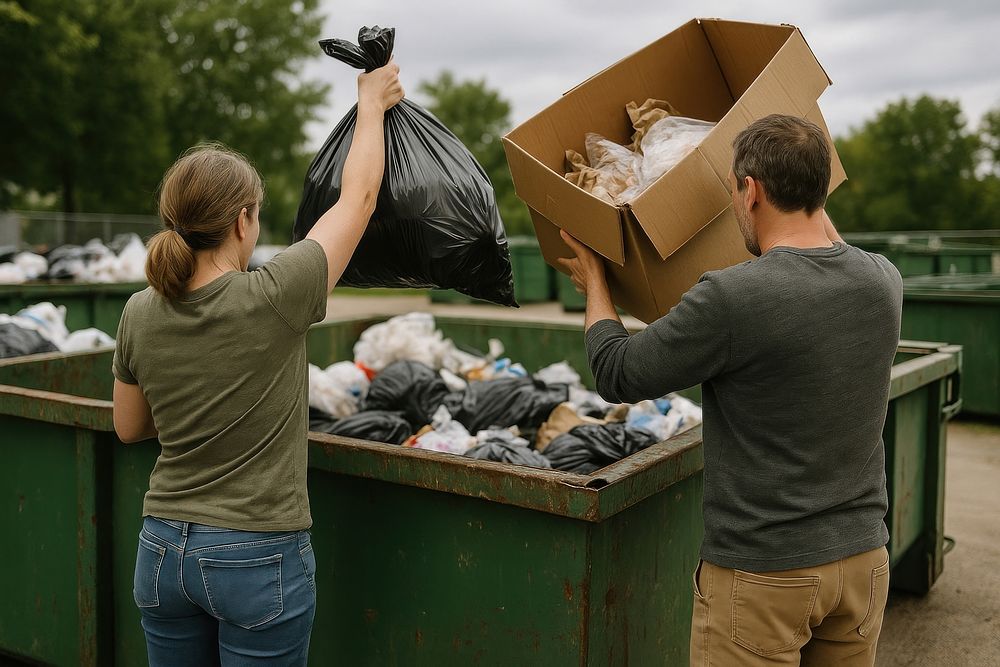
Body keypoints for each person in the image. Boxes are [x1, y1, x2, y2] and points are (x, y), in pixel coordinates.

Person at [559, 114, 902, 666]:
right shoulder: (884, 280)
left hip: (765, 575)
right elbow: (825, 238)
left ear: (751, 191)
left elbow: (616, 372)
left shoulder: (734, 298)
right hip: (863, 564)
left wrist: (597, 286)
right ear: (821, 187)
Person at [111, 61, 403, 665]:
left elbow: (129, 428)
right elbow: (361, 196)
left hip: (162, 549)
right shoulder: (276, 296)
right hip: (256, 556)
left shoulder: (139, 311)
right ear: (243, 220)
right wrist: (370, 103)